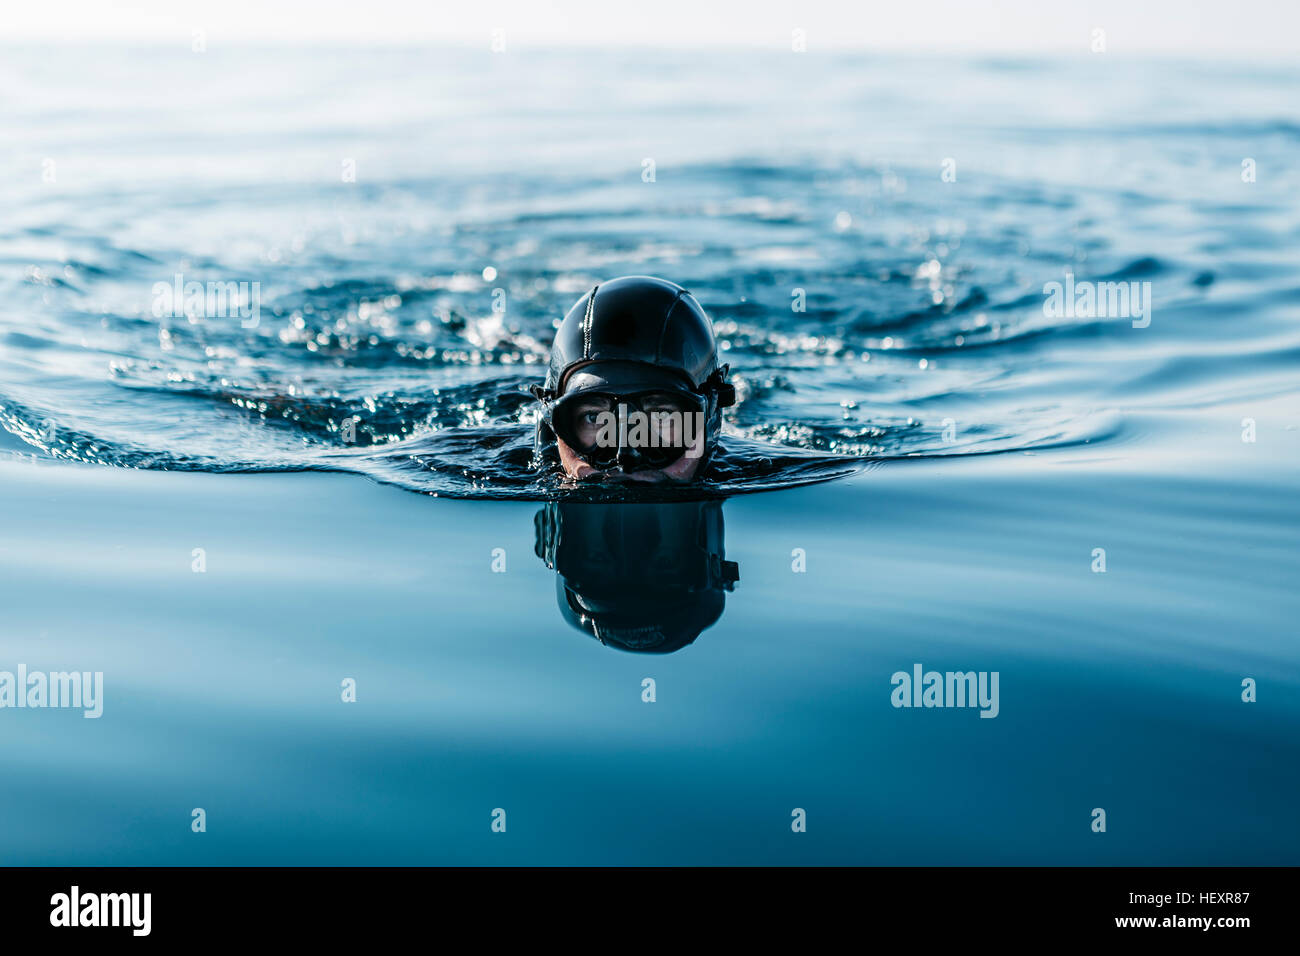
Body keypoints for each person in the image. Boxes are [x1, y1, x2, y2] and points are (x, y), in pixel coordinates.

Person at [532, 276, 736, 483]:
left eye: (661, 415)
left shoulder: (763, 470)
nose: (625, 457)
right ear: (555, 423)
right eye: (594, 417)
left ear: (710, 414)